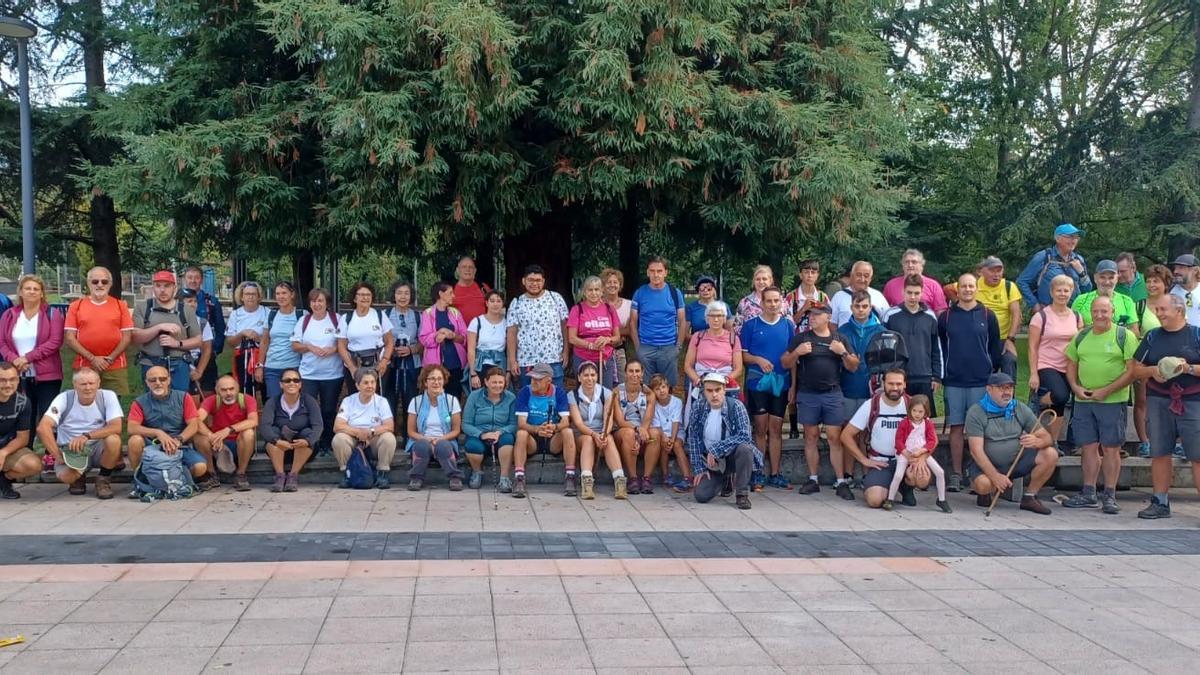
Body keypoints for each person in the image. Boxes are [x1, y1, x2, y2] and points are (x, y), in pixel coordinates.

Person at [1062, 296, 1139, 514]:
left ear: (1112, 312)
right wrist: (1075, 387)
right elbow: (1071, 364)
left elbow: (1131, 370)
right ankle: (1088, 492)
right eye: (1095, 311)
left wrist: (1107, 390)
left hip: (1113, 401)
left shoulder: (1124, 336)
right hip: (1084, 400)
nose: (1099, 315)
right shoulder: (1082, 335)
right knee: (1087, 446)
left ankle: (1110, 494)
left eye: (1104, 311)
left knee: (1111, 448)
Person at [1132, 294, 1200, 519]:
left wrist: (1187, 368)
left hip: (1193, 401)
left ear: (1179, 311)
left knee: (1197, 455)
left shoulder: (1196, 334)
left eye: (1163, 310)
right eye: (1157, 310)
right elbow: (1135, 368)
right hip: (1159, 399)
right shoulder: (1152, 336)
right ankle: (1160, 502)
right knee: (1159, 452)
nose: (1159, 314)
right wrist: (1153, 371)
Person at [782, 302, 859, 499]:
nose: (812, 318)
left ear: (827, 317)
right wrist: (797, 353)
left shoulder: (839, 338)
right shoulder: (801, 338)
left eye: (816, 314)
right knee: (811, 436)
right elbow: (784, 362)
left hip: (832, 393)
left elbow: (853, 366)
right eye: (810, 315)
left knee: (835, 437)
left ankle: (841, 480)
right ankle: (813, 478)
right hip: (808, 393)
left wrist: (842, 352)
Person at [938, 273, 1002, 492]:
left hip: (980, 381)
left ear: (977, 288)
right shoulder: (946, 317)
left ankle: (977, 473)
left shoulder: (987, 314)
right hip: (955, 380)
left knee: (979, 429)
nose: (967, 290)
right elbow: (941, 347)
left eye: (971, 286)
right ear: (958, 288)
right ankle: (956, 473)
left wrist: (992, 374)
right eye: (963, 286)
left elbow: (995, 347)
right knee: (956, 427)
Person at [964, 372, 1058, 514]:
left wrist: (1037, 441)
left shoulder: (1019, 408)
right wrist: (995, 477)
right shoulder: (976, 412)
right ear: (989, 389)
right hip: (987, 464)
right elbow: (976, 451)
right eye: (1002, 388)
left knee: (1050, 454)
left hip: (1016, 462)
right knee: (984, 485)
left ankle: (1030, 497)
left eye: (1009, 388)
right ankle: (985, 492)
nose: (1007, 392)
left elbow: (1047, 438)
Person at [839, 369, 925, 509]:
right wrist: (863, 460)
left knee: (923, 480)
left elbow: (929, 436)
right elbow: (846, 435)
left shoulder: (913, 405)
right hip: (880, 462)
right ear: (883, 383)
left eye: (898, 384)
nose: (895, 388)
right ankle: (888, 486)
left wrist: (922, 458)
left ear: (905, 385)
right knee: (874, 500)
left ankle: (905, 487)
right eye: (891, 383)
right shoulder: (871, 405)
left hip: (907, 460)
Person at [35, 367, 122, 500]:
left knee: (114, 439)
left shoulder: (108, 396)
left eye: (91, 383)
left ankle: (103, 479)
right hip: (71, 449)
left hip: (98, 446)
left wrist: (86, 436)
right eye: (83, 384)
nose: (88, 388)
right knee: (66, 476)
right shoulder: (64, 398)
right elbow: (43, 427)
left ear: (99, 383)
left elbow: (116, 427)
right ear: (74, 385)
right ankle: (78, 477)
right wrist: (58, 456)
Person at [740, 286, 796, 490]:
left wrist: (793, 386)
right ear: (761, 303)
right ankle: (757, 472)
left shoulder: (788, 326)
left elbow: (792, 359)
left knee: (776, 429)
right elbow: (743, 356)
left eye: (776, 301)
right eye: (769, 301)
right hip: (757, 383)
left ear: (781, 303)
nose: (773, 305)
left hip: (781, 384)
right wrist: (758, 360)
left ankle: (775, 473)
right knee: (760, 428)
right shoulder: (750, 326)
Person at [685, 372, 760, 509]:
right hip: (710, 462)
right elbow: (693, 437)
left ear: (724, 390)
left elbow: (745, 436)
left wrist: (717, 448)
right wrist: (699, 469)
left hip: (731, 457)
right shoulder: (698, 407)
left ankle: (742, 494)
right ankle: (724, 479)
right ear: (704, 392)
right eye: (709, 390)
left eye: (718, 390)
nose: (714, 395)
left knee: (745, 449)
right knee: (701, 496)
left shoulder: (736, 406)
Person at [0, 274, 64, 427]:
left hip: (47, 376)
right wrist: (15, 360)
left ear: (42, 293)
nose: (32, 292)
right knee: (24, 417)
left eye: (36, 289)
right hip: (17, 375)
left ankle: (50, 450)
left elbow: (55, 342)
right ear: (20, 292)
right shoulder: (9, 315)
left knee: (47, 418)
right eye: (27, 288)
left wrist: (27, 358)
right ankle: (24, 449)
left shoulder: (52, 314)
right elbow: (2, 342)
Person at [126, 365, 208, 485]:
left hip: (179, 444)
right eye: (152, 380)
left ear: (169, 380)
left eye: (162, 379)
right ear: (146, 383)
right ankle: (140, 480)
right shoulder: (139, 401)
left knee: (200, 467)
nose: (158, 383)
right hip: (152, 444)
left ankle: (176, 478)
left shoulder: (184, 397)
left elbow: (193, 425)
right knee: (134, 441)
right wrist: (158, 433)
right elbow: (132, 427)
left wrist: (179, 440)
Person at [1027, 275, 1082, 446]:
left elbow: (1080, 343)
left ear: (1071, 292)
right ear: (1051, 292)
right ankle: (1040, 400)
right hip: (1047, 364)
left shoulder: (1076, 316)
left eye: (1066, 290)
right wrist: (1033, 374)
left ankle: (1053, 441)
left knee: (1059, 404)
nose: (1062, 294)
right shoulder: (1041, 317)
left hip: (1069, 365)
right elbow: (1032, 347)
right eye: (1059, 290)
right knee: (1061, 395)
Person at [838, 289, 885, 488]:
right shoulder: (843, 331)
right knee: (849, 430)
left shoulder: (880, 330)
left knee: (867, 433)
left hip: (871, 387)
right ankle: (848, 474)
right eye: (857, 306)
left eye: (864, 306)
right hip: (848, 385)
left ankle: (867, 475)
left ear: (870, 307)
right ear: (851, 307)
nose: (861, 310)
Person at [65, 266, 134, 397]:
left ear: (111, 284)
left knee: (113, 405)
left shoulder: (121, 306)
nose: (100, 285)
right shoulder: (76, 306)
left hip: (115, 365)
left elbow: (127, 337)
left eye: (104, 281)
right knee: (85, 403)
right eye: (95, 281)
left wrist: (109, 359)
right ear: (88, 283)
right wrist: (92, 358)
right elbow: (69, 338)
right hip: (84, 364)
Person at [291, 288, 343, 454]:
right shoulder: (304, 321)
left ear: (327, 303)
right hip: (308, 375)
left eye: (320, 301)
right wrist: (309, 347)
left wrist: (333, 349)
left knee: (328, 410)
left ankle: (328, 442)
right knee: (310, 410)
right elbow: (295, 345)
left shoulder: (337, 319)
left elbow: (345, 343)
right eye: (314, 301)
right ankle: (312, 443)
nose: (317, 304)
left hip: (332, 374)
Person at [513, 362, 576, 497]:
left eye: (538, 379)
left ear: (548, 380)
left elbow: (565, 421)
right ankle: (519, 477)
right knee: (521, 434)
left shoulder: (558, 392)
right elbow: (521, 423)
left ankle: (570, 476)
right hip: (533, 437)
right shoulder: (525, 392)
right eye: (532, 378)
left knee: (568, 432)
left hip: (552, 436)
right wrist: (536, 429)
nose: (534, 382)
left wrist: (555, 427)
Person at [132, 270, 202, 393]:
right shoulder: (143, 308)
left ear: (174, 288)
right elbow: (135, 337)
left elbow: (198, 340)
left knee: (179, 400)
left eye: (167, 286)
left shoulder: (185, 309)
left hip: (178, 363)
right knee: (153, 400)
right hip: (151, 362)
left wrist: (177, 344)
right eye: (158, 286)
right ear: (153, 287)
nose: (162, 290)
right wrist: (159, 327)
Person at [884, 274, 942, 412]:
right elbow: (885, 349)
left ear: (922, 293)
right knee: (900, 417)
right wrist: (885, 375)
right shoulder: (891, 316)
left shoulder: (930, 317)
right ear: (903, 292)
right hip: (899, 377)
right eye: (909, 292)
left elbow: (936, 348)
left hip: (924, 376)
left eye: (916, 293)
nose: (913, 297)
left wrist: (937, 377)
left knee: (924, 419)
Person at [506, 265, 570, 389]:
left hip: (553, 358)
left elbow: (565, 327)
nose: (534, 283)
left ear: (543, 281)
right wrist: (512, 360)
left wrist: (566, 351)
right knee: (529, 398)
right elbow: (511, 333)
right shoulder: (517, 302)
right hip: (527, 361)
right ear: (524, 281)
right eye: (531, 280)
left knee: (555, 396)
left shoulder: (555, 298)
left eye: (538, 280)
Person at [259, 368, 322, 492]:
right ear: (281, 384)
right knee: (274, 431)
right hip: (280, 447)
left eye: (296, 380)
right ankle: (280, 475)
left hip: (303, 449)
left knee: (307, 433)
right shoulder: (273, 402)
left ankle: (293, 475)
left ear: (300, 384)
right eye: (287, 380)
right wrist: (276, 441)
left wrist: (308, 441)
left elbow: (318, 426)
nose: (292, 383)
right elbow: (264, 426)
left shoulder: (309, 401)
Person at [334, 367, 398, 490]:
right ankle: (347, 474)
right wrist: (358, 432)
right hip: (353, 438)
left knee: (389, 438)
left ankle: (382, 474)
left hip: (374, 438)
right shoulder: (348, 401)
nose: (370, 386)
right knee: (339, 439)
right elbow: (338, 426)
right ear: (357, 385)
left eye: (373, 382)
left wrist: (371, 432)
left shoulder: (381, 402)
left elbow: (389, 426)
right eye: (366, 383)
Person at [1133, 265, 1173, 456]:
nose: (1151, 284)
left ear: (1165, 283)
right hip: (1146, 359)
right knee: (1142, 400)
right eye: (1148, 281)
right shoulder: (1139, 306)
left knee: (1173, 399)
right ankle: (1144, 442)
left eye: (1156, 281)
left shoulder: (1175, 304)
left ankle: (1174, 441)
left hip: (1171, 360)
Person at [885, 395, 950, 512]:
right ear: (910, 410)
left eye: (920, 411)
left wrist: (922, 451)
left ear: (926, 412)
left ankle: (942, 499)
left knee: (940, 472)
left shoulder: (928, 424)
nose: (917, 414)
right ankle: (890, 499)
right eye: (914, 410)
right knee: (898, 475)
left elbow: (932, 441)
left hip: (921, 452)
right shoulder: (904, 423)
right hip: (905, 453)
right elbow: (898, 441)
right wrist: (906, 453)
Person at [195, 375, 259, 491]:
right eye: (223, 390)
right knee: (199, 435)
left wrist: (228, 430)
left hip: (239, 444)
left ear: (237, 388)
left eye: (231, 389)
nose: (228, 393)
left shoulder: (247, 399)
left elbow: (253, 421)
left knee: (249, 433)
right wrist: (211, 436)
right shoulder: (212, 400)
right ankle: (211, 474)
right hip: (217, 445)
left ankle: (241, 474)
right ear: (217, 390)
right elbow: (196, 420)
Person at [405, 364, 464, 491]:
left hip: (445, 439)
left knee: (443, 446)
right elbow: (410, 431)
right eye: (432, 379)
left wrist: (440, 439)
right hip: (422, 438)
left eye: (439, 379)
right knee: (421, 445)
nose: (436, 382)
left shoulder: (452, 401)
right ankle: (416, 478)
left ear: (444, 381)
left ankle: (454, 477)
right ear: (425, 382)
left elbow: (456, 430)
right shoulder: (416, 402)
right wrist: (426, 439)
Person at [630, 257, 687, 388]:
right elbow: (633, 322)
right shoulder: (640, 293)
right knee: (646, 388)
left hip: (668, 348)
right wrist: (638, 348)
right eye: (652, 271)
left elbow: (682, 321)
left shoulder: (674, 293)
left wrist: (678, 347)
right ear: (647, 272)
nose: (656, 275)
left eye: (659, 271)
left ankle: (668, 409)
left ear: (665, 272)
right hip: (646, 347)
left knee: (668, 388)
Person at [569, 361, 622, 499]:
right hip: (583, 433)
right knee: (588, 440)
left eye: (593, 375)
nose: (589, 378)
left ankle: (619, 479)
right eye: (586, 375)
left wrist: (603, 434)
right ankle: (586, 481)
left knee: (609, 439)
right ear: (579, 377)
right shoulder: (573, 396)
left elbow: (608, 418)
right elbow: (578, 423)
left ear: (597, 376)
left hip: (602, 431)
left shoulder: (606, 393)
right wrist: (593, 435)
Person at [462, 366, 517, 490]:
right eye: (494, 382)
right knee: (472, 446)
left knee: (508, 440)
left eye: (500, 382)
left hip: (501, 435)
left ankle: (504, 478)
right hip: (480, 434)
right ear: (486, 382)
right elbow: (466, 424)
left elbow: (514, 424)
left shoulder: (511, 398)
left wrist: (500, 432)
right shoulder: (474, 396)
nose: (497, 385)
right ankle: (477, 472)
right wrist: (482, 434)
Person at [1016, 223, 1093, 311]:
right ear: (1057, 238)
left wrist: (1082, 273)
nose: (1074, 240)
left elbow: (1087, 290)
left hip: (1072, 314)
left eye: (1076, 237)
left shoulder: (1078, 260)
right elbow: (1022, 282)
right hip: (1048, 314)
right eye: (1070, 236)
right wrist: (1034, 304)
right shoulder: (1044, 257)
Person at [338, 282, 394, 394]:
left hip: (378, 365)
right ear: (354, 298)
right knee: (356, 399)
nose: (365, 297)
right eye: (361, 294)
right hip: (355, 365)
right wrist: (352, 368)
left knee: (377, 400)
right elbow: (341, 346)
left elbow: (389, 341)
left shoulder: (380, 315)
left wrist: (384, 361)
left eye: (368, 295)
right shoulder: (346, 318)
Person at [683, 300, 744, 403]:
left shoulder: (733, 339)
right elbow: (688, 365)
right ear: (707, 318)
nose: (716, 319)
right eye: (712, 316)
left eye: (720, 316)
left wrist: (723, 381)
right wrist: (698, 380)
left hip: (724, 386)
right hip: (701, 385)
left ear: (724, 318)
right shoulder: (697, 337)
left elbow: (738, 368)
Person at [974, 256, 1023, 379]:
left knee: (1009, 360)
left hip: (1002, 338)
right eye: (992, 271)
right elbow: (949, 289)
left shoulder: (1009, 286)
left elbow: (1016, 313)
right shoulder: (973, 285)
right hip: (979, 338)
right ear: (981, 271)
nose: (996, 275)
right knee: (982, 370)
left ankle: (1009, 395)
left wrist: (1010, 339)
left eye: (999, 271)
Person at [567, 276, 621, 388]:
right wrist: (591, 345)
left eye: (597, 289)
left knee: (606, 392)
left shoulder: (609, 309)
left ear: (602, 291)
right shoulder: (577, 309)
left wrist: (607, 339)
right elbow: (572, 338)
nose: (594, 293)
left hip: (605, 357)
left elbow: (617, 337)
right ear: (584, 292)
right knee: (585, 391)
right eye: (590, 290)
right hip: (583, 356)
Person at [0, 361, 42, 499]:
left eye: (12, 379)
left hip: (6, 445)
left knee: (34, 465)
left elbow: (23, 438)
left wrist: (4, 452)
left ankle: (4, 480)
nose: (8, 384)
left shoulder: (23, 402)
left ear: (18, 380)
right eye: (2, 380)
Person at [257, 281, 305, 400]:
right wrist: (260, 365)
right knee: (274, 401)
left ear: (292, 294)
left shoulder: (302, 315)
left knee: (293, 401)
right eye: (278, 293)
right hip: (272, 367)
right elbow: (264, 342)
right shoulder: (271, 315)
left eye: (284, 293)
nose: (281, 296)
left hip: (294, 366)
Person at [385, 281, 423, 430]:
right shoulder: (385, 315)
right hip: (390, 364)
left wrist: (411, 349)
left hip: (412, 364)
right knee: (389, 400)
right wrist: (390, 349)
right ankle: (389, 433)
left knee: (411, 400)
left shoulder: (418, 316)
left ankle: (410, 435)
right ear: (394, 295)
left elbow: (423, 340)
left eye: (406, 293)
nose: (403, 296)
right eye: (399, 293)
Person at [418, 281, 466, 397]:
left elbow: (464, 336)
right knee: (435, 398)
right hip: (435, 366)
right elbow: (423, 338)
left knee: (454, 397)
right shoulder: (428, 313)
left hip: (455, 363)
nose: (453, 296)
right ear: (440, 294)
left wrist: (453, 335)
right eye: (450, 293)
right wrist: (437, 335)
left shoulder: (455, 313)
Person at [182, 266, 226, 393]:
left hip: (206, 350)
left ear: (201, 280)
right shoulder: (176, 299)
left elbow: (220, 327)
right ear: (185, 279)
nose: (193, 281)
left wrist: (215, 349)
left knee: (208, 390)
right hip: (183, 354)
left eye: (196, 278)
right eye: (190, 277)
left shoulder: (211, 301)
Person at [224, 281, 269, 397]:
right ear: (242, 297)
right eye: (247, 294)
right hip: (242, 355)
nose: (250, 297)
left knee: (265, 388)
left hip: (262, 355)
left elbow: (272, 339)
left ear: (259, 296)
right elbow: (230, 342)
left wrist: (258, 338)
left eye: (254, 294)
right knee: (244, 389)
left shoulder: (267, 312)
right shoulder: (235, 314)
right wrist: (242, 333)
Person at [1072, 260, 1140, 331]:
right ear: (1095, 278)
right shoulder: (1081, 300)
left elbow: (1134, 332)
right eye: (1102, 277)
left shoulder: (1127, 302)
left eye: (1111, 278)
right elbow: (1071, 329)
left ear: (1117, 278)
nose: (1107, 282)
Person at [648, 374, 686, 490]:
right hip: (662, 433)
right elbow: (657, 425)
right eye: (657, 389)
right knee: (664, 446)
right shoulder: (653, 405)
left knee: (677, 445)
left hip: (676, 431)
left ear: (668, 387)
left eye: (663, 387)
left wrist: (672, 439)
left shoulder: (677, 402)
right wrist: (665, 438)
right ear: (653, 391)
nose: (661, 391)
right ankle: (666, 475)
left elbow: (676, 422)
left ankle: (687, 476)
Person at [882, 249, 948, 312]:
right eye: (907, 262)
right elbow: (884, 310)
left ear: (922, 265)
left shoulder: (934, 286)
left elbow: (940, 312)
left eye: (914, 262)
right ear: (902, 264)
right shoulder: (891, 285)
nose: (910, 265)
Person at [467, 291, 508, 392]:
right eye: (492, 301)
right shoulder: (476, 322)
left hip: (500, 365)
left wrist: (508, 372)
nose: (495, 304)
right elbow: (471, 350)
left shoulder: (507, 323)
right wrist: (473, 373)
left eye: (499, 301)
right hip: (480, 366)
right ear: (486, 303)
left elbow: (510, 348)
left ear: (503, 304)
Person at [829, 261, 888, 326]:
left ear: (870, 279)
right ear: (851, 276)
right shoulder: (839, 297)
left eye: (866, 276)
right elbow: (832, 323)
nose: (862, 279)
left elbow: (887, 321)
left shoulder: (878, 296)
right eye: (859, 275)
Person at [600, 268, 633, 383]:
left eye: (615, 282)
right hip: (600, 351)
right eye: (608, 282)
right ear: (603, 285)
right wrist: (618, 332)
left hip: (620, 350)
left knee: (622, 384)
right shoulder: (597, 304)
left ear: (620, 285)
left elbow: (630, 330)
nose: (612, 285)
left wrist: (608, 332)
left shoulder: (629, 305)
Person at [179, 289, 213, 401]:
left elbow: (207, 349)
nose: (193, 304)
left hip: (197, 362)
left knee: (196, 400)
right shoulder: (172, 321)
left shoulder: (202, 322)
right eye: (189, 301)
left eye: (195, 301)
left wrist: (199, 370)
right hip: (179, 364)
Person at [784, 259, 829, 331]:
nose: (810, 275)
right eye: (806, 272)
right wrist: (804, 308)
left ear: (817, 276)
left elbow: (828, 321)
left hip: (816, 339)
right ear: (800, 275)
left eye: (813, 272)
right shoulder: (791, 297)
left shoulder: (823, 297)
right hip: (796, 339)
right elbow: (787, 325)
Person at [451, 255, 492, 326]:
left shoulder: (483, 288)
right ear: (457, 270)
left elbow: (493, 309)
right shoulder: (450, 290)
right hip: (458, 335)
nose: (467, 269)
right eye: (464, 267)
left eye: (470, 267)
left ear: (475, 270)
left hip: (481, 333)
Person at [733, 264, 775, 331]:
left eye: (764, 279)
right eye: (758, 279)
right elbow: (736, 328)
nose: (761, 282)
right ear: (753, 282)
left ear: (770, 281)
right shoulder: (745, 302)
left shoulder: (781, 302)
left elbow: (790, 325)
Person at [1169, 253, 1200, 326]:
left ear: (1195, 270)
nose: (1175, 271)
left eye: (1181, 267)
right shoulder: (1169, 292)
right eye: (1175, 268)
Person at [1116, 252, 1148, 318]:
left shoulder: (1147, 281)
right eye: (1117, 271)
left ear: (1133, 268)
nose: (1118, 275)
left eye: (1122, 271)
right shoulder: (1113, 286)